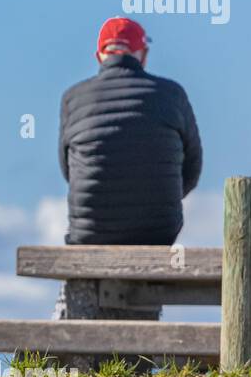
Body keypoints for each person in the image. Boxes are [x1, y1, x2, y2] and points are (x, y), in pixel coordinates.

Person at [54, 16, 202, 321]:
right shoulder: (172, 95)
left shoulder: (72, 98)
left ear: (100, 56)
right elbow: (192, 170)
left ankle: (75, 331)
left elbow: (69, 171)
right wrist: (158, 196)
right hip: (156, 231)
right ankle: (136, 345)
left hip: (90, 233)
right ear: (142, 54)